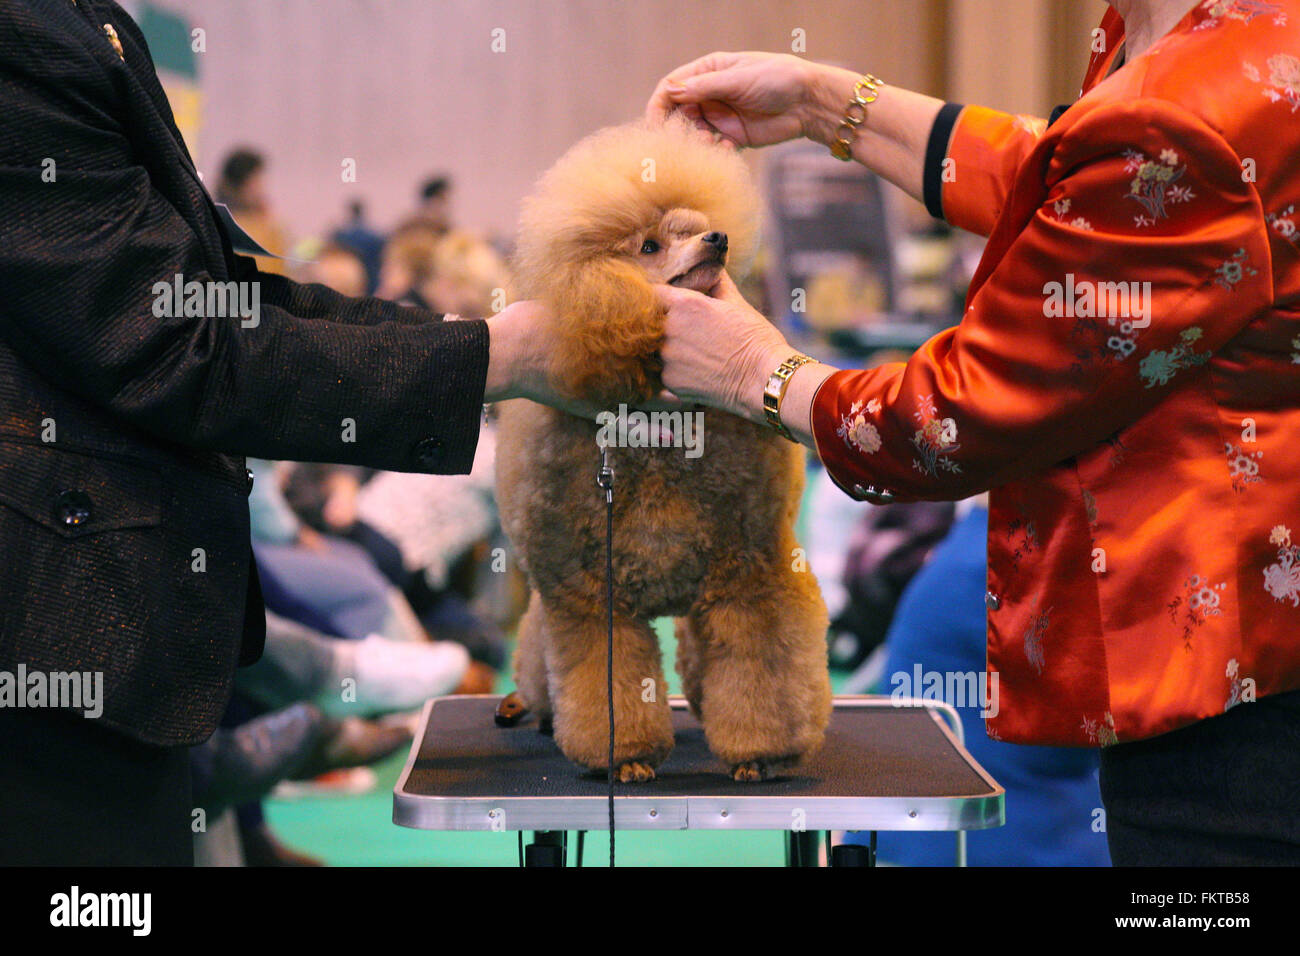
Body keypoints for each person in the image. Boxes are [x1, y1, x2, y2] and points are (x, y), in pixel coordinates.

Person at [649, 0, 1300, 864]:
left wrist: (753, 373)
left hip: (1237, 697)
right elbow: (1060, 178)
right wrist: (818, 102)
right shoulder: (1200, 33)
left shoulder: (1184, 109)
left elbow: (961, 416)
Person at [0, 0, 557, 865]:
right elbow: (177, 340)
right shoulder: (25, 33)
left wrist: (476, 348)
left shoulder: (88, 20)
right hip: (48, 641)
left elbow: (226, 298)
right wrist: (491, 359)